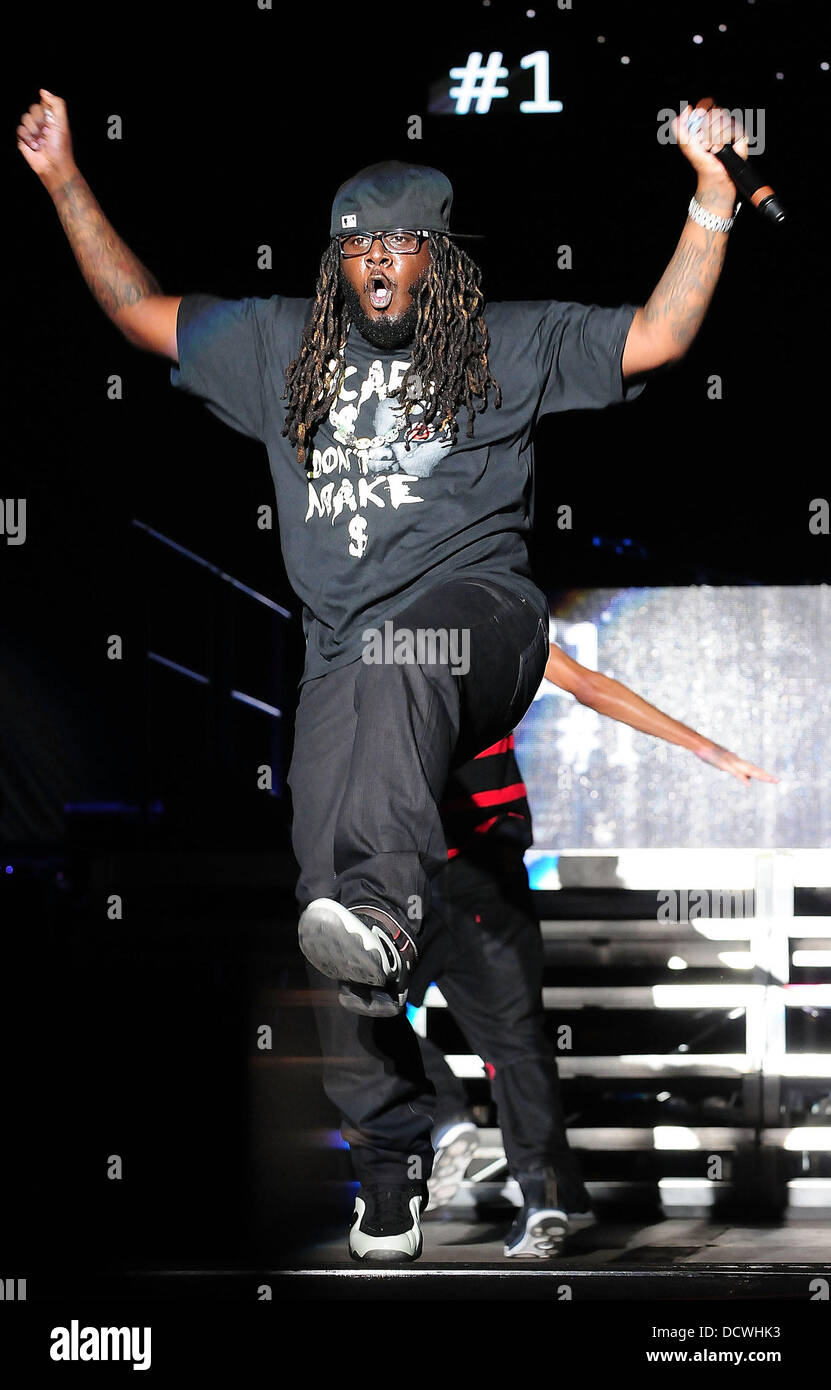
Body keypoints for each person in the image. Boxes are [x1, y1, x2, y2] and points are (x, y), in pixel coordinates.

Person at [18, 88, 750, 1261]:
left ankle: (396, 911)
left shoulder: (504, 340)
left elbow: (657, 335)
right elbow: (136, 311)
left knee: (408, 671)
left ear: (436, 259)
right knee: (325, 890)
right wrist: (62, 179)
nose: (373, 263)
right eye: (354, 245)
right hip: (341, 661)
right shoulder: (276, 346)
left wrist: (711, 199)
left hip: (486, 622)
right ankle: (393, 1163)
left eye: (398, 244)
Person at [419, 641, 776, 1256]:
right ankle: (520, 1180)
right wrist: (703, 748)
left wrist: (704, 745)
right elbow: (588, 685)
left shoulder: (466, 625)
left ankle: (518, 1178)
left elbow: (586, 684)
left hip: (444, 863)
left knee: (465, 1030)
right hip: (440, 862)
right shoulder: (450, 624)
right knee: (503, 1041)